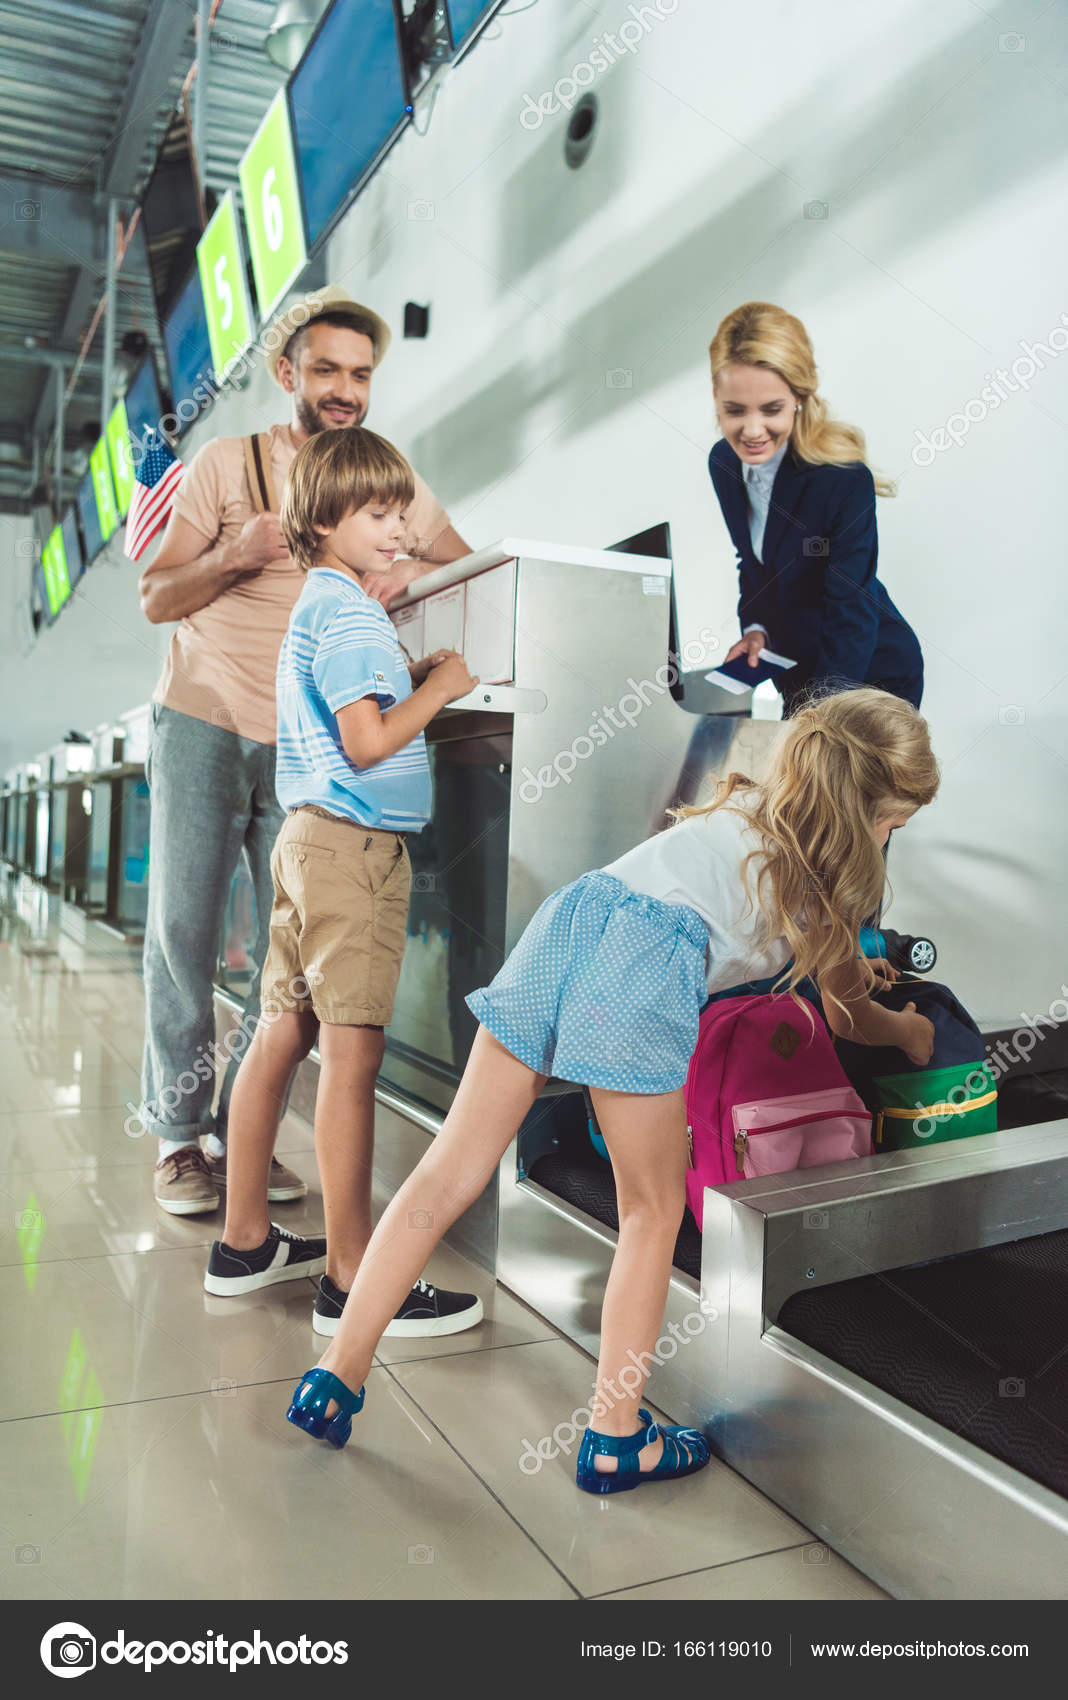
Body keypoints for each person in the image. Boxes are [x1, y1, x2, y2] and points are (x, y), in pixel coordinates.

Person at [283, 688, 940, 1486]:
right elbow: (847, 1015)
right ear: (870, 811)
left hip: (573, 918)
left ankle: (336, 1370)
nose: (888, 840)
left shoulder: (746, 807)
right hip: (645, 961)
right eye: (893, 824)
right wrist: (908, 1031)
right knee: (652, 1209)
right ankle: (616, 1434)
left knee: (449, 1168)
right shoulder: (828, 883)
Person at [138, 286, 471, 1216]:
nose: (344, 389)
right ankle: (179, 1138)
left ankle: (245, 1146)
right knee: (186, 933)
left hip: (315, 750)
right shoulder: (224, 463)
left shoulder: (380, 478)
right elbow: (157, 597)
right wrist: (237, 555)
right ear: (288, 373)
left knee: (288, 967)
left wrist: (415, 571)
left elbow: (466, 565)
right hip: (205, 716)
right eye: (325, 370)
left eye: (360, 374)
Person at [203, 426, 484, 1337]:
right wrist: (441, 687)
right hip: (353, 855)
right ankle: (358, 1280)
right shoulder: (355, 613)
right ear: (323, 519)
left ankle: (246, 1240)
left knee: (279, 1033)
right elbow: (366, 743)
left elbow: (344, 717)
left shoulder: (321, 605)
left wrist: (404, 671)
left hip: (306, 842)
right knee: (351, 1061)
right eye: (378, 513)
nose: (400, 529)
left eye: (402, 511)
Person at [708, 302, 923, 714]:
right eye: (735, 411)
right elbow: (754, 563)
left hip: (869, 676)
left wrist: (814, 720)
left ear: (798, 399)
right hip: (800, 673)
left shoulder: (842, 479)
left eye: (771, 409)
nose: (752, 431)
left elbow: (851, 612)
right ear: (716, 398)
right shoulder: (723, 463)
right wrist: (758, 631)